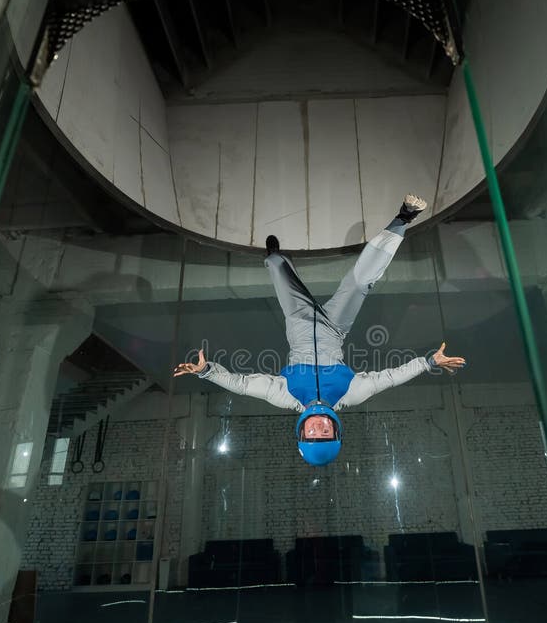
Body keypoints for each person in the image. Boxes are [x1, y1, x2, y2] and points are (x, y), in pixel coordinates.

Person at [174, 195, 466, 465]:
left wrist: (206, 371)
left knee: (275, 265)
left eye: (312, 433)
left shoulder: (285, 396)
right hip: (335, 328)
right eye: (325, 432)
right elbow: (390, 377)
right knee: (359, 283)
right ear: (335, 429)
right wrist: (428, 363)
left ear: (302, 431)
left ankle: (278, 256)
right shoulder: (349, 394)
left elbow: (241, 384)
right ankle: (403, 218)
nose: (319, 426)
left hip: (299, 323)